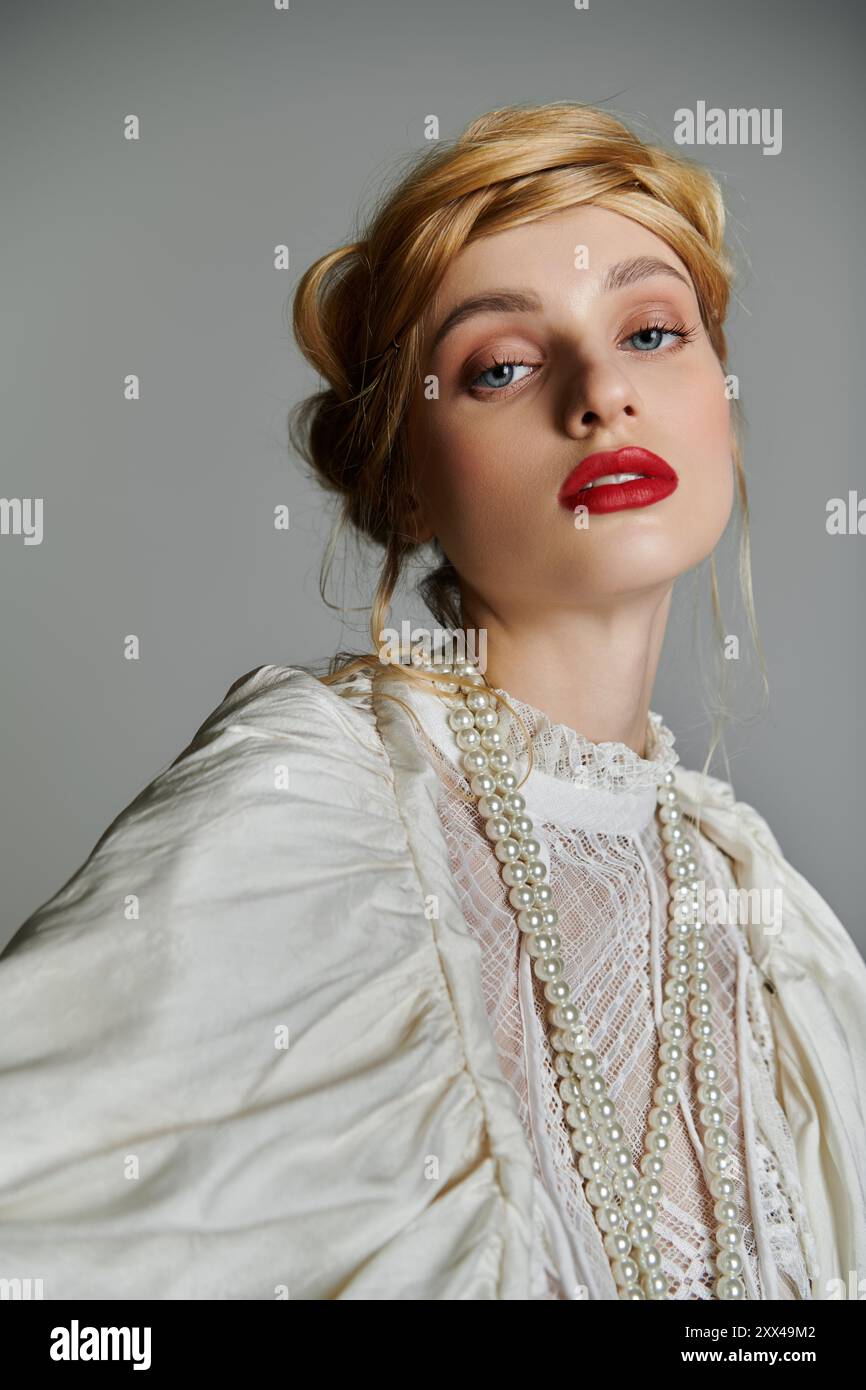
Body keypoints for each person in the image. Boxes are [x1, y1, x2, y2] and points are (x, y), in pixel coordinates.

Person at [2, 102, 864, 1301]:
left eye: (653, 331)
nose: (600, 390)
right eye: (500, 365)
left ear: (722, 393)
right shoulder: (320, 790)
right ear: (403, 482)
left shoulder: (777, 927)